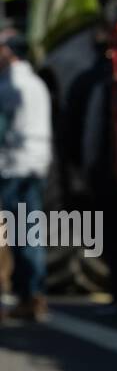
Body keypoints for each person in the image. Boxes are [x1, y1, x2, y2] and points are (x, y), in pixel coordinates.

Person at [0, 27, 53, 324]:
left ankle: (26, 293)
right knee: (29, 233)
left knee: (12, 238)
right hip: (35, 165)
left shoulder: (9, 85)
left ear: (9, 52)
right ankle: (34, 294)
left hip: (14, 167)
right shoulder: (37, 83)